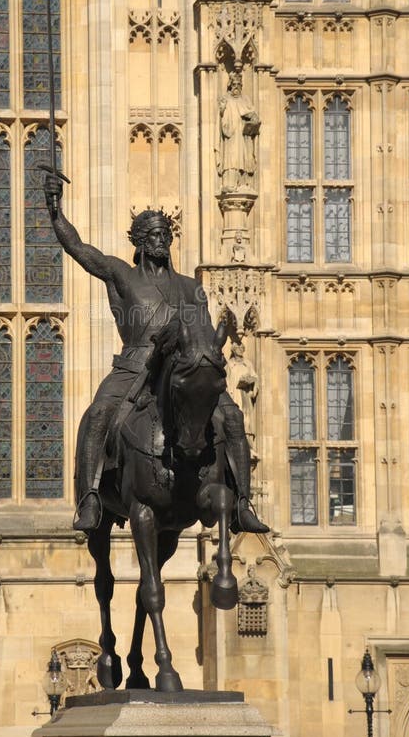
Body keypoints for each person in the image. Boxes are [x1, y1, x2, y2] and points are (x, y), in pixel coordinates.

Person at [44, 172, 269, 535]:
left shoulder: (190, 288)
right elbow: (80, 249)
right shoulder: (123, 275)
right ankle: (89, 498)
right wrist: (55, 209)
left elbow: (203, 333)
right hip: (133, 366)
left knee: (232, 417)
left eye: (165, 234)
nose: (162, 240)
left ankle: (243, 503)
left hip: (181, 367)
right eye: (153, 235)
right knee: (100, 413)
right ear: (140, 241)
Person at [217, 72, 260, 190]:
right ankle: (229, 183)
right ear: (230, 85)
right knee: (231, 158)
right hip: (230, 135)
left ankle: (242, 183)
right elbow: (222, 118)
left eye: (238, 84)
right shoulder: (226, 99)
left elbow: (251, 113)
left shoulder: (245, 99)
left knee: (242, 157)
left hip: (242, 135)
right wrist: (222, 109)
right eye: (234, 84)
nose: (236, 86)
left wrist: (254, 119)